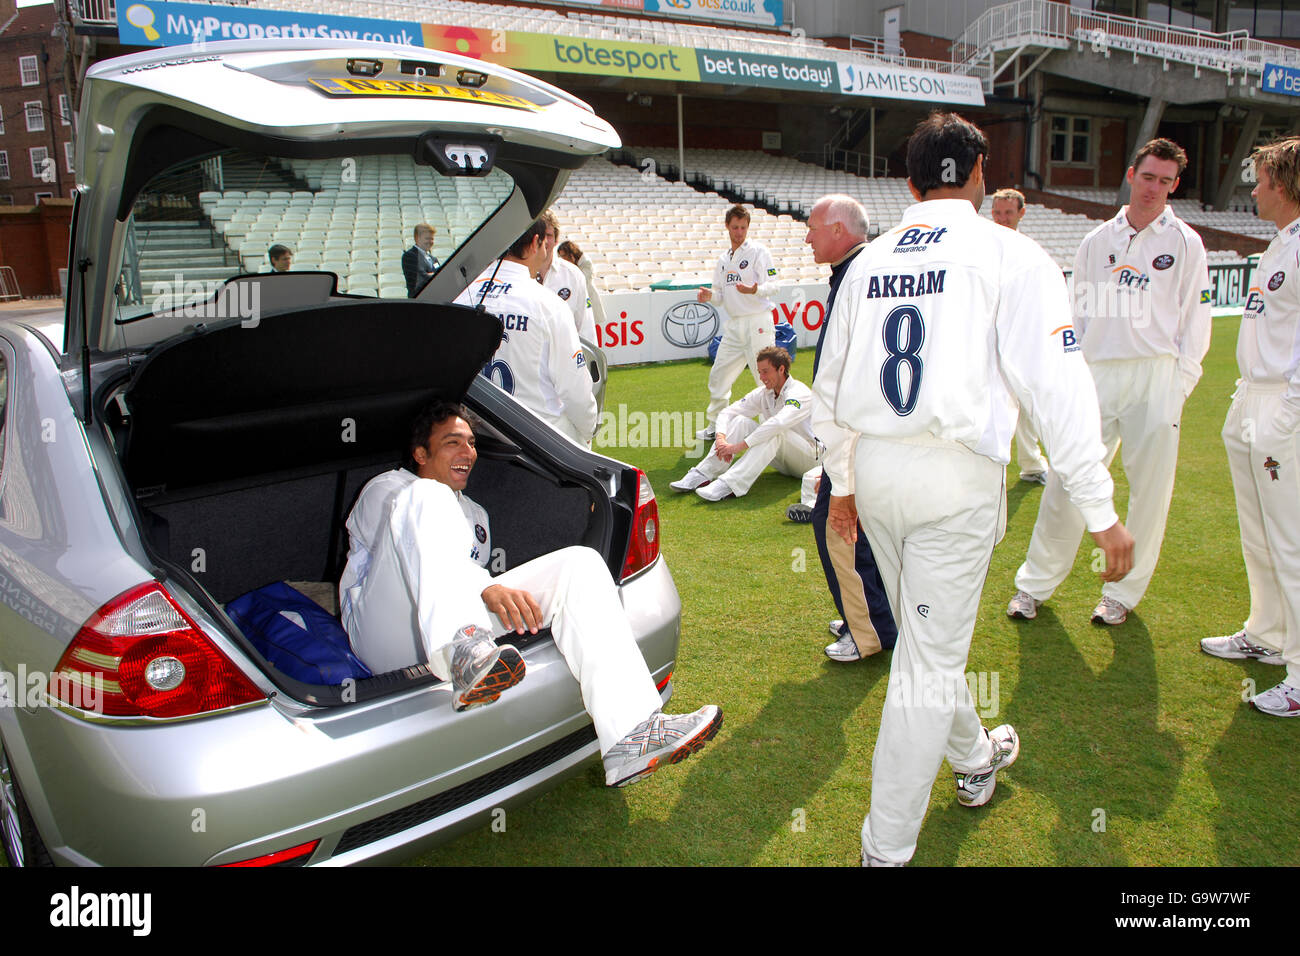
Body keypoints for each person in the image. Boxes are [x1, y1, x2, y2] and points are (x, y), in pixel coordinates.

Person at [813, 112, 1134, 866]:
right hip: (953, 479)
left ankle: (976, 758)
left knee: (926, 647)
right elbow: (1057, 387)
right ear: (981, 174)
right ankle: (884, 852)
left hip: (879, 473)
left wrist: (845, 484)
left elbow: (826, 391)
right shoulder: (1009, 252)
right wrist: (1100, 508)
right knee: (925, 663)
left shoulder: (868, 260)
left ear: (910, 179)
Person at [339, 400, 722, 784]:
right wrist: (486, 585)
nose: (467, 452)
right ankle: (462, 652)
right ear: (421, 452)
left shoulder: (476, 516)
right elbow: (413, 560)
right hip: (381, 635)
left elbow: (456, 577)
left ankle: (634, 735)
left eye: (471, 443)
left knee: (579, 564)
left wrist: (487, 587)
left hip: (445, 625)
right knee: (427, 495)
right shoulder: (388, 489)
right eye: (452, 442)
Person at [1008, 138, 1211, 627]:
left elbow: (1194, 324)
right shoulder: (1097, 240)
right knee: (1067, 481)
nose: (1154, 188)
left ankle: (1121, 594)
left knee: (1150, 491)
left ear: (1175, 185)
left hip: (1155, 376)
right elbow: (1075, 315)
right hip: (1094, 376)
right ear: (1130, 175)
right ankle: (1033, 585)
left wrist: (1175, 389)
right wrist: (1069, 376)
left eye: (1165, 181)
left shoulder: (1185, 242)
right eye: (1148, 177)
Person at [1201, 137, 1300, 717]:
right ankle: (1267, 632)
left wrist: (1288, 408)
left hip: (1283, 406)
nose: (1253, 190)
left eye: (1261, 180)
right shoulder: (1280, 244)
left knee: (1289, 540)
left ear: (1283, 185)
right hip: (1254, 399)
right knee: (1259, 534)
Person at [795, 194, 898, 663]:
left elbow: (844, 375)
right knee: (859, 531)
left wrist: (839, 453)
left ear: (839, 229)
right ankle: (872, 615)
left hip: (857, 430)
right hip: (870, 430)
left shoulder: (858, 275)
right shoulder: (863, 270)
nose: (807, 235)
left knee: (837, 526)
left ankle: (870, 628)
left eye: (814, 226)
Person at [454, 218, 598, 445]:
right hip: (538, 443)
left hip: (478, 434)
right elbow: (574, 389)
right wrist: (587, 431)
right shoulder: (548, 304)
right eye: (544, 243)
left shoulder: (463, 295)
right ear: (534, 243)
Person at [669, 346, 818, 502]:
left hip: (810, 460)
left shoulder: (799, 392)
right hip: (784, 461)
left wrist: (738, 447)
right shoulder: (764, 393)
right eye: (759, 372)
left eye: (765, 371)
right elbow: (728, 412)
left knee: (773, 430)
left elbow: (779, 423)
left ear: (781, 369)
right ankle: (702, 474)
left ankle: (729, 484)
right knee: (741, 421)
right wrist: (720, 439)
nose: (762, 377)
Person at [694, 205, 778, 441]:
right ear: (727, 227)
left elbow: (775, 285)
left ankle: (772, 430)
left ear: (747, 227)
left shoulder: (759, 252)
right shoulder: (723, 259)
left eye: (743, 227)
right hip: (734, 325)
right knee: (719, 375)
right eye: (735, 227)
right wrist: (709, 296)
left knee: (765, 376)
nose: (739, 232)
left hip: (758, 322)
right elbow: (720, 296)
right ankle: (716, 426)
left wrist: (756, 289)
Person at [989, 187, 1049, 485]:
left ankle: (1032, 465)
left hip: (1020, 336)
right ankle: (986, 464)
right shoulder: (980, 247)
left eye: (1008, 213)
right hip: (987, 337)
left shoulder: (1029, 251)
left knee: (1026, 400)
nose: (1002, 219)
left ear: (1021, 214)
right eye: (998, 213)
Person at [539, 211, 597, 342]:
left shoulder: (574, 274)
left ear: (556, 239)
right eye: (541, 235)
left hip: (564, 357)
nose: (545, 241)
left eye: (549, 235)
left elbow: (586, 327)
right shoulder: (522, 273)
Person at [558, 239, 608, 332]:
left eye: (563, 255)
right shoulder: (565, 267)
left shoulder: (586, 263)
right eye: (560, 256)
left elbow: (581, 281)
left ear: (571, 254)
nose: (562, 259)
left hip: (589, 302)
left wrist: (572, 266)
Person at [402, 223, 440, 297]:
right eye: (427, 238)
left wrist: (431, 275)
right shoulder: (409, 256)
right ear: (417, 238)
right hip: (419, 301)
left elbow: (442, 275)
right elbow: (420, 279)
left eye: (432, 239)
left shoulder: (434, 259)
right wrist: (435, 275)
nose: (430, 241)